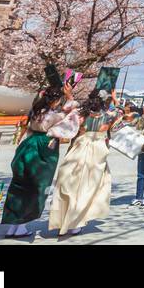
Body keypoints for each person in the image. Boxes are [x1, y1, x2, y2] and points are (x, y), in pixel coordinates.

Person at [2, 84, 76, 238]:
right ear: (55, 101)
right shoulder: (54, 115)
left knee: (19, 183)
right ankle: (21, 225)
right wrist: (70, 97)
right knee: (37, 185)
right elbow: (72, 113)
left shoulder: (36, 110)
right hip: (44, 147)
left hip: (28, 144)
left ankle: (12, 224)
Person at [47, 90, 117, 238]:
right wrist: (115, 99)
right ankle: (76, 222)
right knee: (89, 187)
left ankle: (64, 219)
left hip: (79, 147)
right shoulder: (109, 116)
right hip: (97, 150)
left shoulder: (80, 115)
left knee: (69, 184)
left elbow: (64, 127)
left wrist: (70, 96)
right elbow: (119, 114)